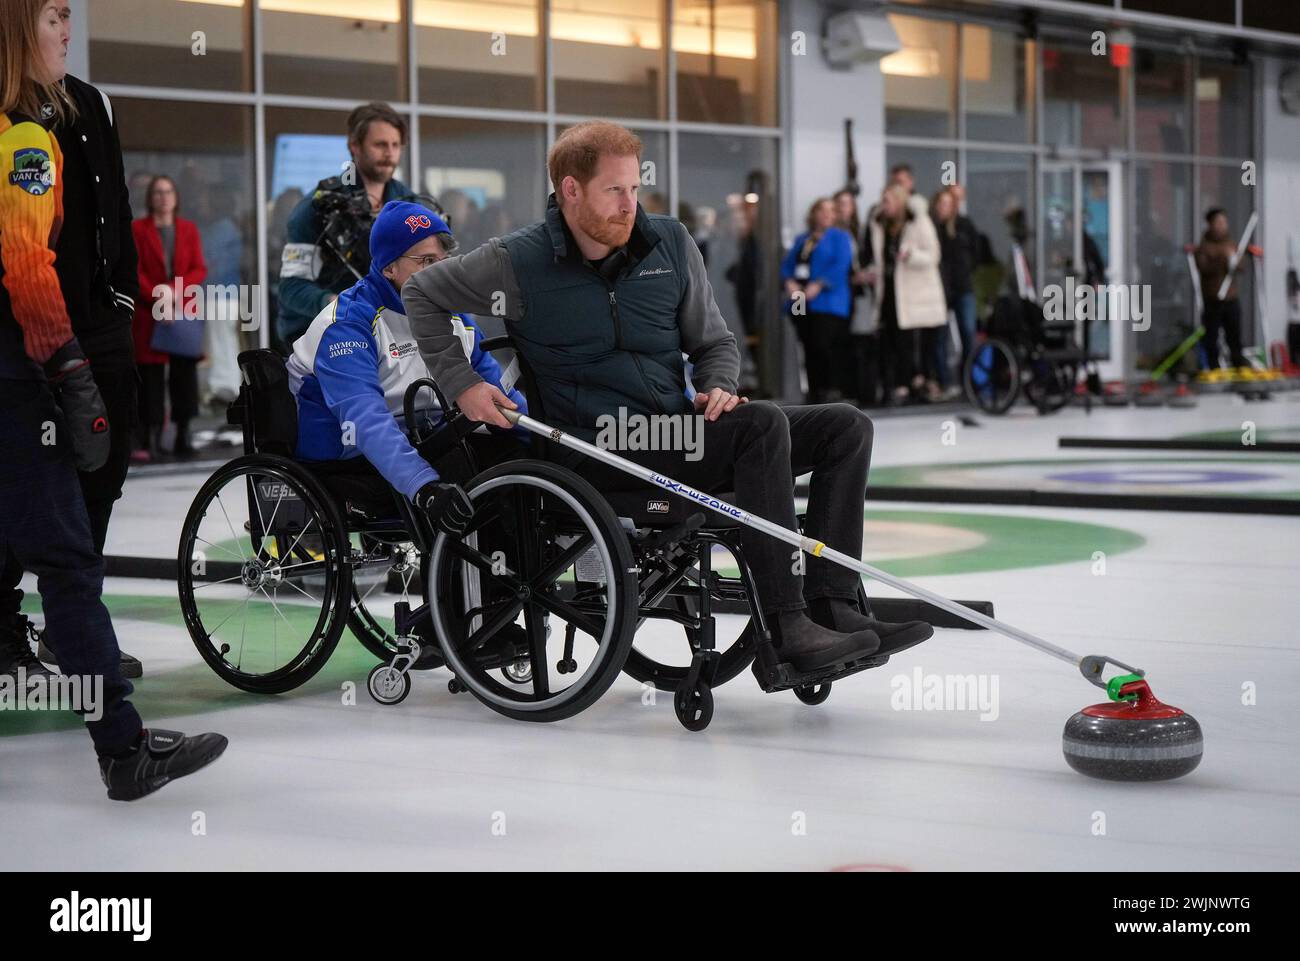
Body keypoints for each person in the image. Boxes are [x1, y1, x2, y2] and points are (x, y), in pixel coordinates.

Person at [402, 120, 932, 677]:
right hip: (598, 444)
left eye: (634, 188)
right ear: (570, 190)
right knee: (762, 426)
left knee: (845, 427)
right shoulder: (516, 261)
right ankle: (785, 630)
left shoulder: (669, 243)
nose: (630, 205)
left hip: (674, 431)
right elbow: (421, 292)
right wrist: (462, 385)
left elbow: (715, 341)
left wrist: (719, 385)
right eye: (614, 190)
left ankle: (834, 604)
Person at [1, 0, 226, 799]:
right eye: (55, 16)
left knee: (61, 539)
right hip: (25, 371)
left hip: (61, 347)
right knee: (66, 558)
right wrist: (68, 368)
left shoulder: (70, 114)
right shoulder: (25, 139)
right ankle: (125, 751)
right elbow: (29, 271)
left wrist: (117, 315)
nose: (67, 29)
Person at [287, 200, 526, 512]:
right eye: (426, 261)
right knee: (464, 480)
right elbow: (366, 422)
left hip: (422, 436)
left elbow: (500, 395)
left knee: (514, 466)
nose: (441, 272)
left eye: (445, 260)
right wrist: (423, 486)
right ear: (389, 268)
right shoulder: (347, 325)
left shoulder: (456, 316)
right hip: (346, 453)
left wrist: (553, 446)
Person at [276, 102, 412, 346]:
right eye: (380, 144)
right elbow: (291, 288)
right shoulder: (317, 207)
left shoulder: (411, 205)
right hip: (327, 338)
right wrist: (334, 303)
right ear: (354, 146)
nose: (390, 153)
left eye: (395, 145)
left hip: (395, 339)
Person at [131, 174, 206, 460]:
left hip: (181, 311)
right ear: (151, 198)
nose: (163, 197)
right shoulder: (137, 229)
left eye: (168, 191)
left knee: (184, 376)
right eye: (158, 192)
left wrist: (175, 290)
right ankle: (149, 437)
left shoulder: (188, 229)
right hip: (150, 313)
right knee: (149, 379)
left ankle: (183, 434)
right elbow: (133, 271)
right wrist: (158, 296)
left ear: (176, 198)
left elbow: (199, 269)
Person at [866, 184, 946, 405]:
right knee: (892, 339)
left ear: (900, 201)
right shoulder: (879, 224)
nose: (884, 205)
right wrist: (872, 272)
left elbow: (933, 255)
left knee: (913, 342)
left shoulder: (918, 221)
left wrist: (911, 255)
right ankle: (898, 386)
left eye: (888, 200)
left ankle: (915, 384)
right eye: (883, 201)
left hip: (915, 291)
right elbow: (880, 258)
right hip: (890, 290)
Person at [781, 197, 854, 404]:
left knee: (824, 345)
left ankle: (830, 390)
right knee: (806, 345)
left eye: (831, 210)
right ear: (814, 214)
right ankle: (813, 392)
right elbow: (788, 265)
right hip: (801, 301)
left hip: (827, 302)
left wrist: (819, 284)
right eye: (822, 210)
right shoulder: (802, 239)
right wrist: (789, 282)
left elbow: (841, 265)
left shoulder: (840, 237)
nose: (826, 214)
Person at [835, 187, 879, 407]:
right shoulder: (833, 233)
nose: (845, 208)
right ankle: (849, 390)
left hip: (860, 296)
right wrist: (854, 277)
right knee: (846, 345)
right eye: (841, 204)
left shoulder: (858, 230)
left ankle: (864, 392)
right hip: (842, 296)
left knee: (863, 343)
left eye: (849, 204)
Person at [1195, 207, 1248, 371]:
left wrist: (1235, 261)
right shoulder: (1204, 247)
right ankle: (1213, 367)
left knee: (1234, 334)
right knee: (1211, 336)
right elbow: (1203, 268)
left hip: (1231, 298)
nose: (1222, 225)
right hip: (1213, 298)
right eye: (1218, 222)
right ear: (1210, 224)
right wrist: (1222, 260)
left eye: (1224, 222)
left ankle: (1238, 363)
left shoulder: (1231, 245)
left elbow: (1241, 266)